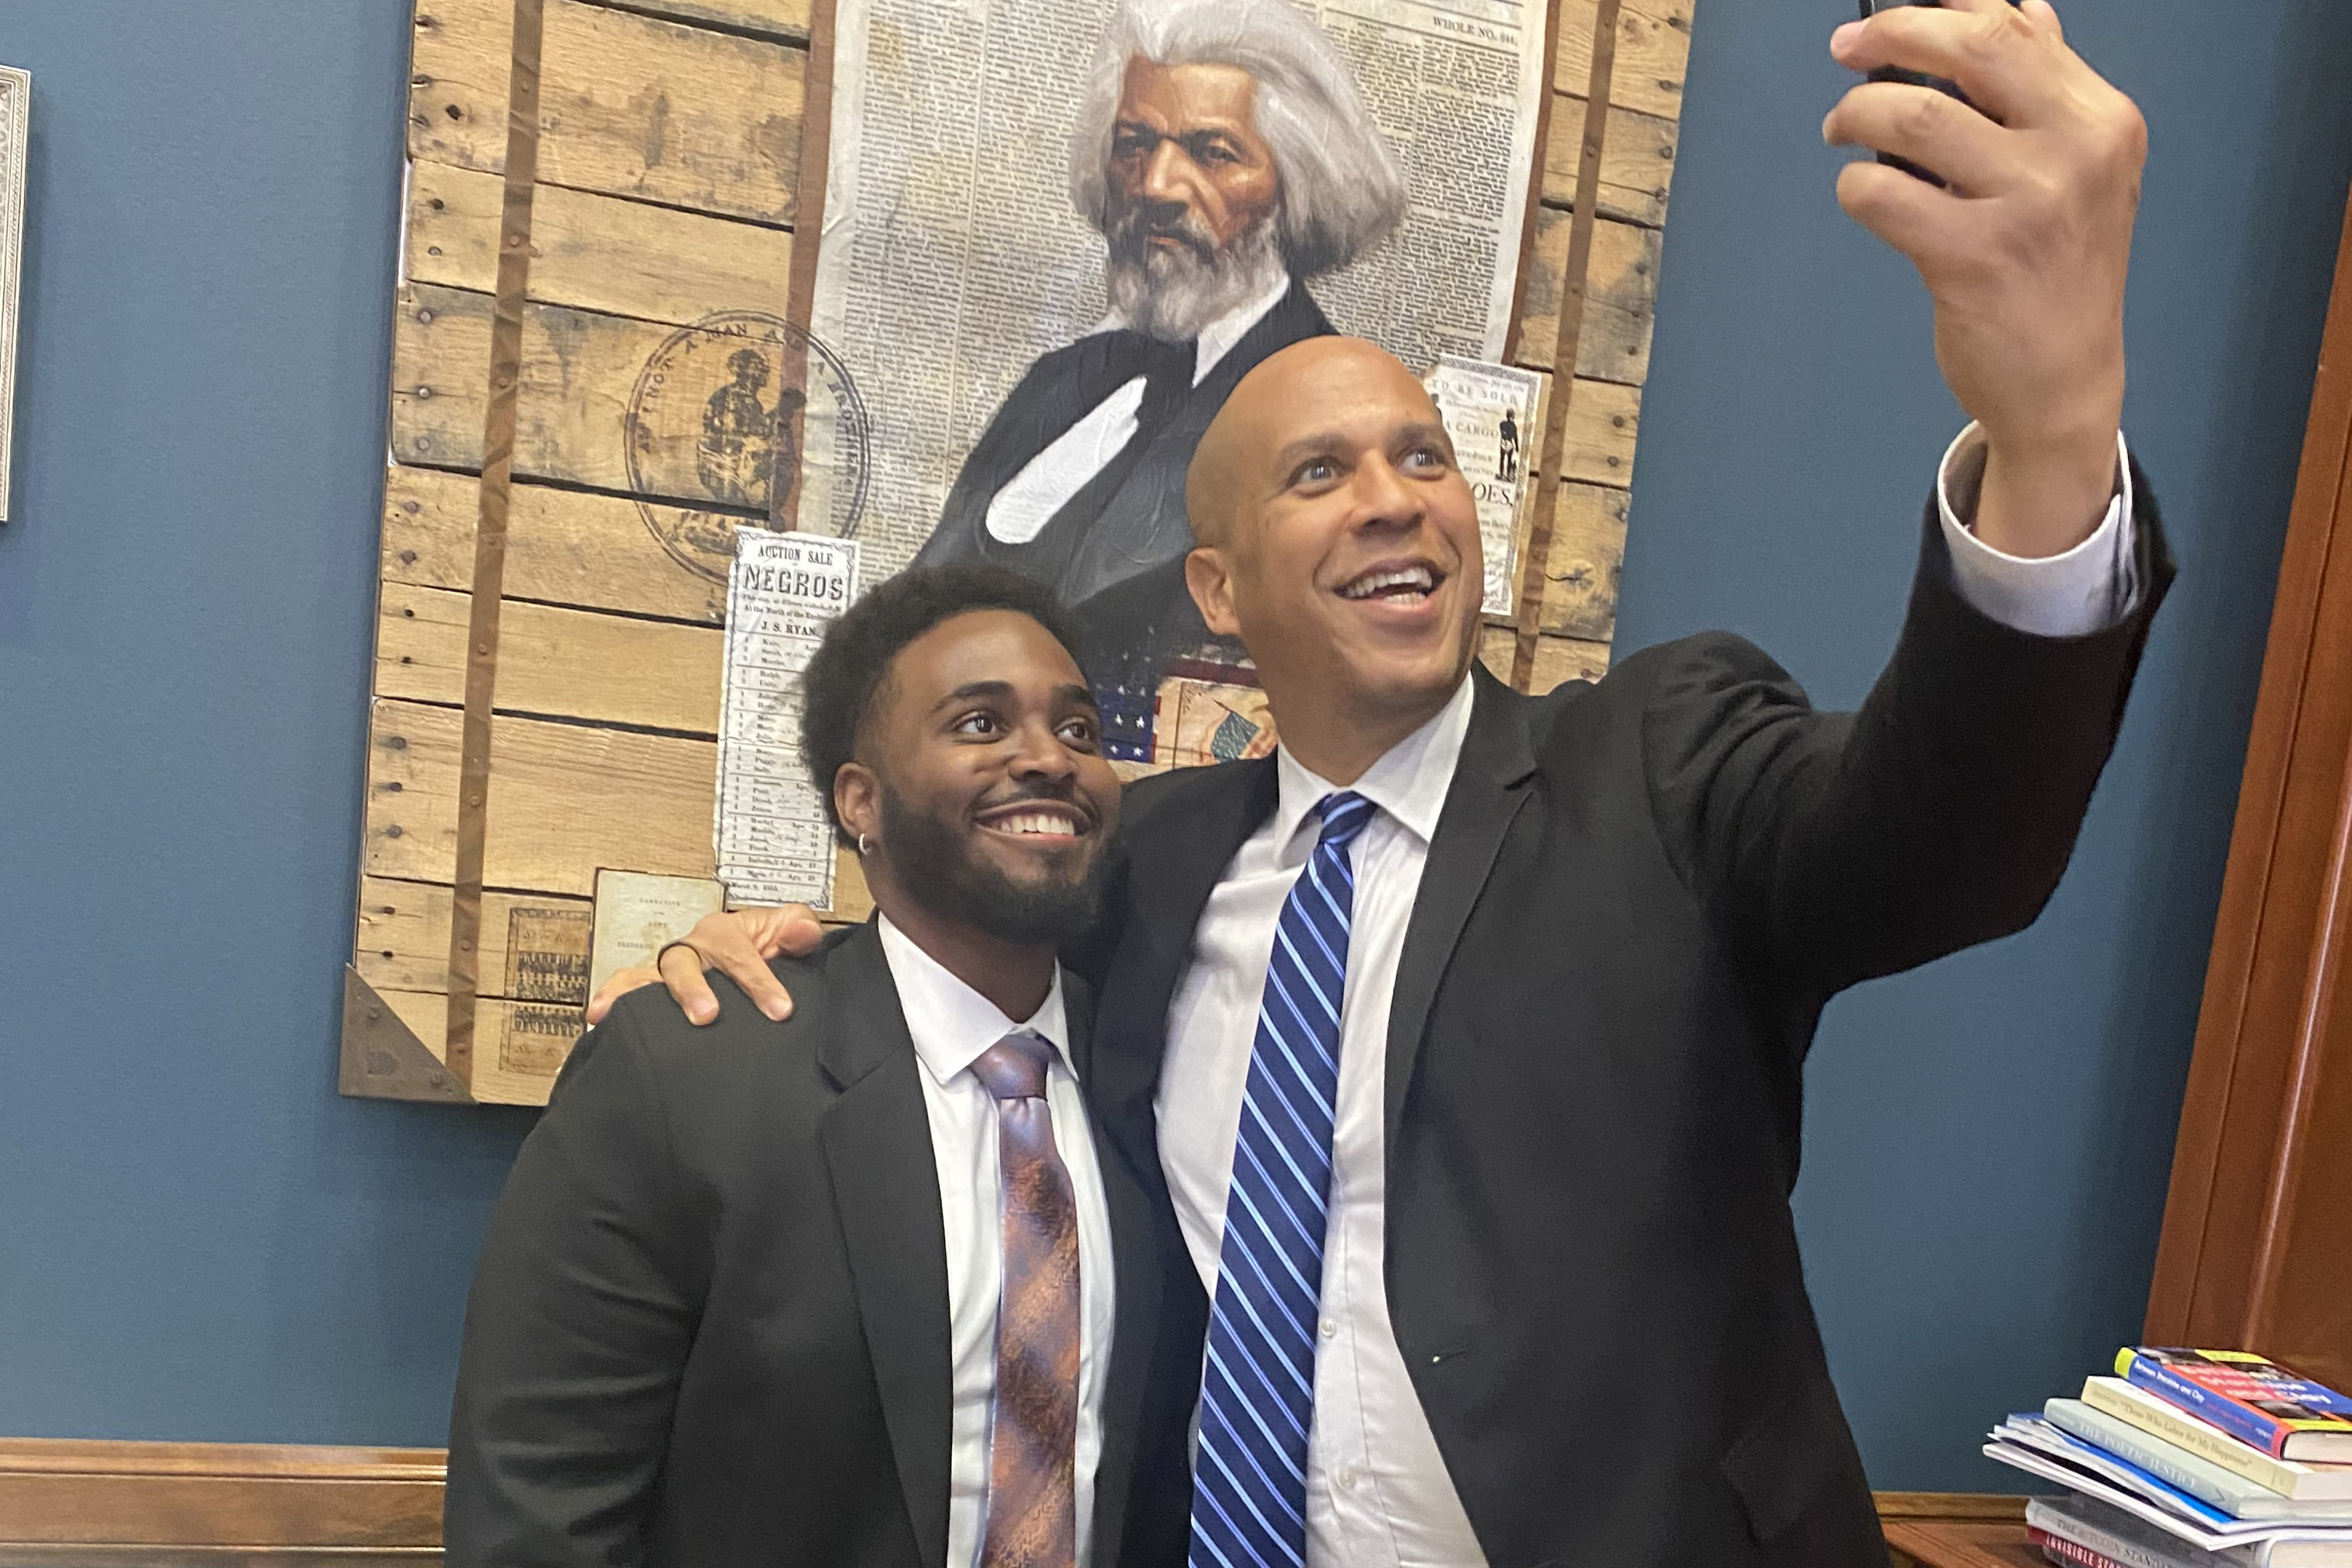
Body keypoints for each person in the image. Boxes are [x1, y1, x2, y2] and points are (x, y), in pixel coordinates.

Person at [598, 5, 2163, 1563]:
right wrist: (779, 971)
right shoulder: (1140, 864)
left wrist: (2049, 434)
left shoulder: (1660, 769)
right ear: (1218, 590)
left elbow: (1953, 843)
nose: (1394, 502)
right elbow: (950, 995)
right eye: (1320, 473)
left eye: (1421, 458)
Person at [446, 566, 1198, 1568]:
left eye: (1080, 731)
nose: (1047, 759)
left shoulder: (1158, 1089)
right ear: (861, 801)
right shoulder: (682, 1075)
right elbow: (538, 1512)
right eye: (979, 724)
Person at [914, 0, 1405, 695]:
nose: (1155, 186)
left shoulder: (1323, 410)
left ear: (1295, 185)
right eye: (1134, 143)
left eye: (1213, 153)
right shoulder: (1061, 380)